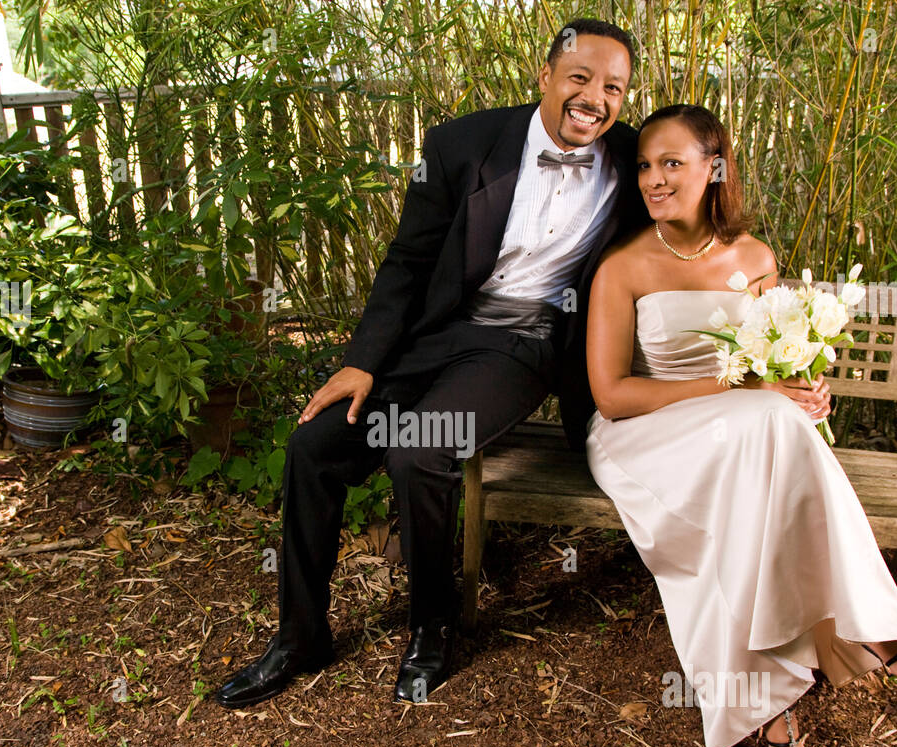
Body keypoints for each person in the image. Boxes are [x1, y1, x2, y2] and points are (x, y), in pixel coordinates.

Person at [217, 19, 650, 708]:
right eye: (579, 77)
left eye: (613, 87)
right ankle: (301, 636)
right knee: (314, 445)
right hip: (436, 334)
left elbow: (701, 211)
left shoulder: (637, 158)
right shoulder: (462, 144)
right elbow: (410, 261)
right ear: (545, 77)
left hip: (525, 341)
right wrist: (363, 362)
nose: (594, 97)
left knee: (419, 449)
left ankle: (433, 629)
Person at [583, 104, 897, 747]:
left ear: (716, 168)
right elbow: (612, 395)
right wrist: (749, 386)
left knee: (769, 441)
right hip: (650, 433)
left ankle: (774, 709)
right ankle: (883, 637)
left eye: (672, 162)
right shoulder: (623, 267)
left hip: (749, 433)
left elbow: (776, 356)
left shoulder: (756, 258)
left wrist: (805, 389)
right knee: (766, 423)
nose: (654, 178)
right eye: (645, 165)